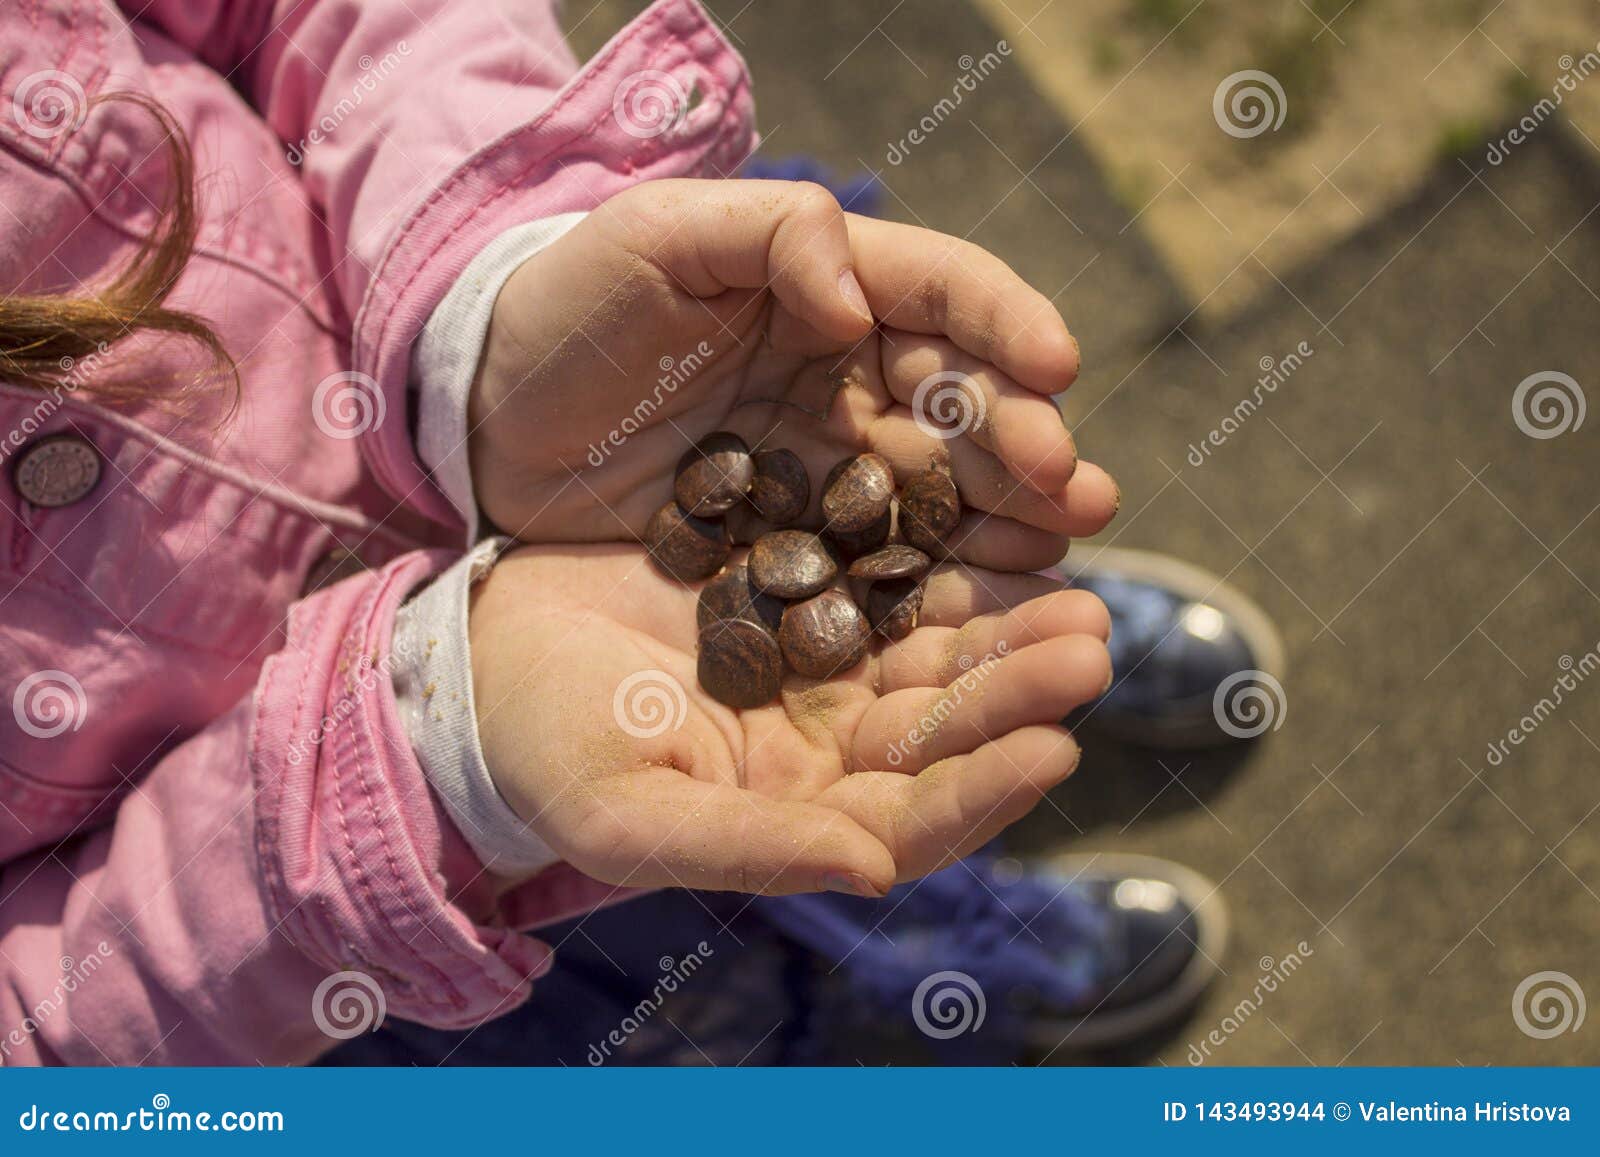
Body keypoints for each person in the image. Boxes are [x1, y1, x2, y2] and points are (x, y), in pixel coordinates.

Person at [0, 0, 1248, 1067]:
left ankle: (1001, 615)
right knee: (692, 968)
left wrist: (488, 293)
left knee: (928, 529)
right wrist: (429, 759)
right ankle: (927, 977)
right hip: (357, 898)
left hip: (578, 391)